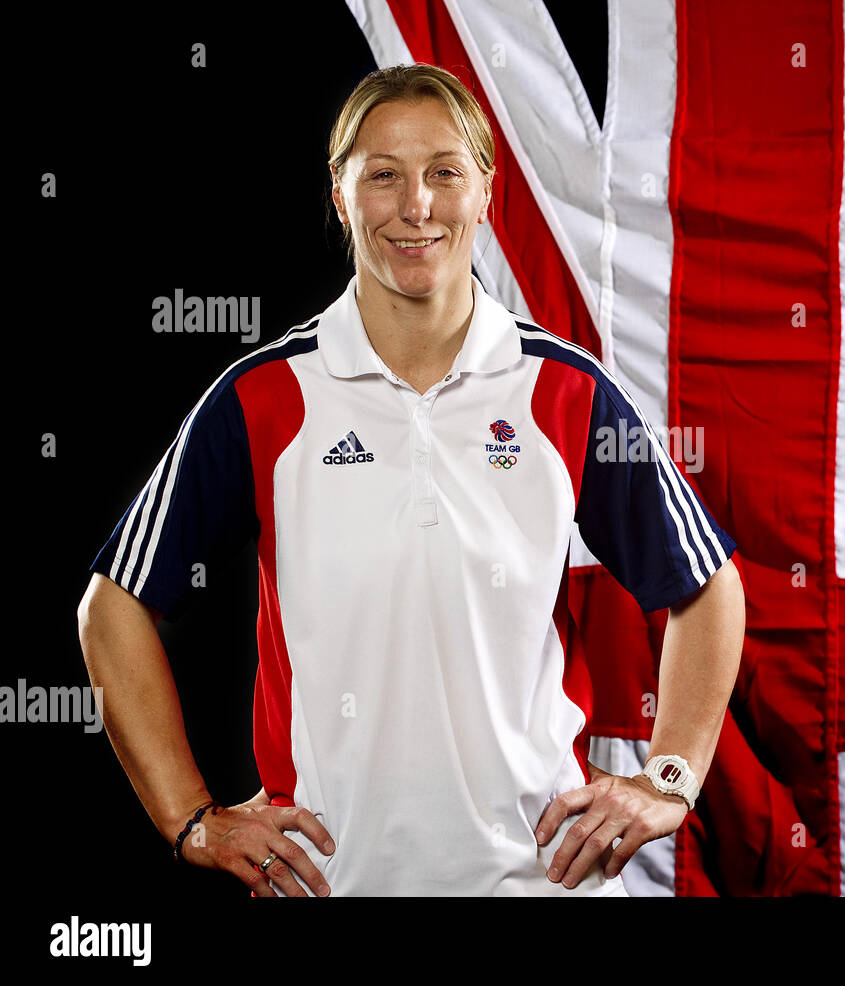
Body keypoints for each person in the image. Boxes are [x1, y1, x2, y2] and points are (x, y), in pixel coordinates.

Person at [76, 63, 745, 896]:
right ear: (340, 192)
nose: (416, 206)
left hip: (541, 883)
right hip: (328, 884)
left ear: (485, 192)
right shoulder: (266, 395)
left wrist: (667, 782)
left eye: (443, 173)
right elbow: (112, 607)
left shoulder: (564, 390)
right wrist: (188, 818)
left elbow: (707, 586)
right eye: (383, 175)